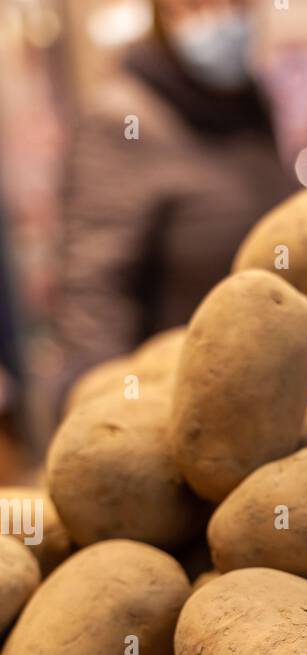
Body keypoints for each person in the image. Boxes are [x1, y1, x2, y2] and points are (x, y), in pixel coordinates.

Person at [55, 0, 289, 396]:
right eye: (197, 3)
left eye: (238, 3)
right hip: (177, 392)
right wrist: (111, 405)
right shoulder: (124, 119)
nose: (223, 15)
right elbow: (94, 294)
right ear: (162, 12)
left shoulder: (252, 104)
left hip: (268, 377)